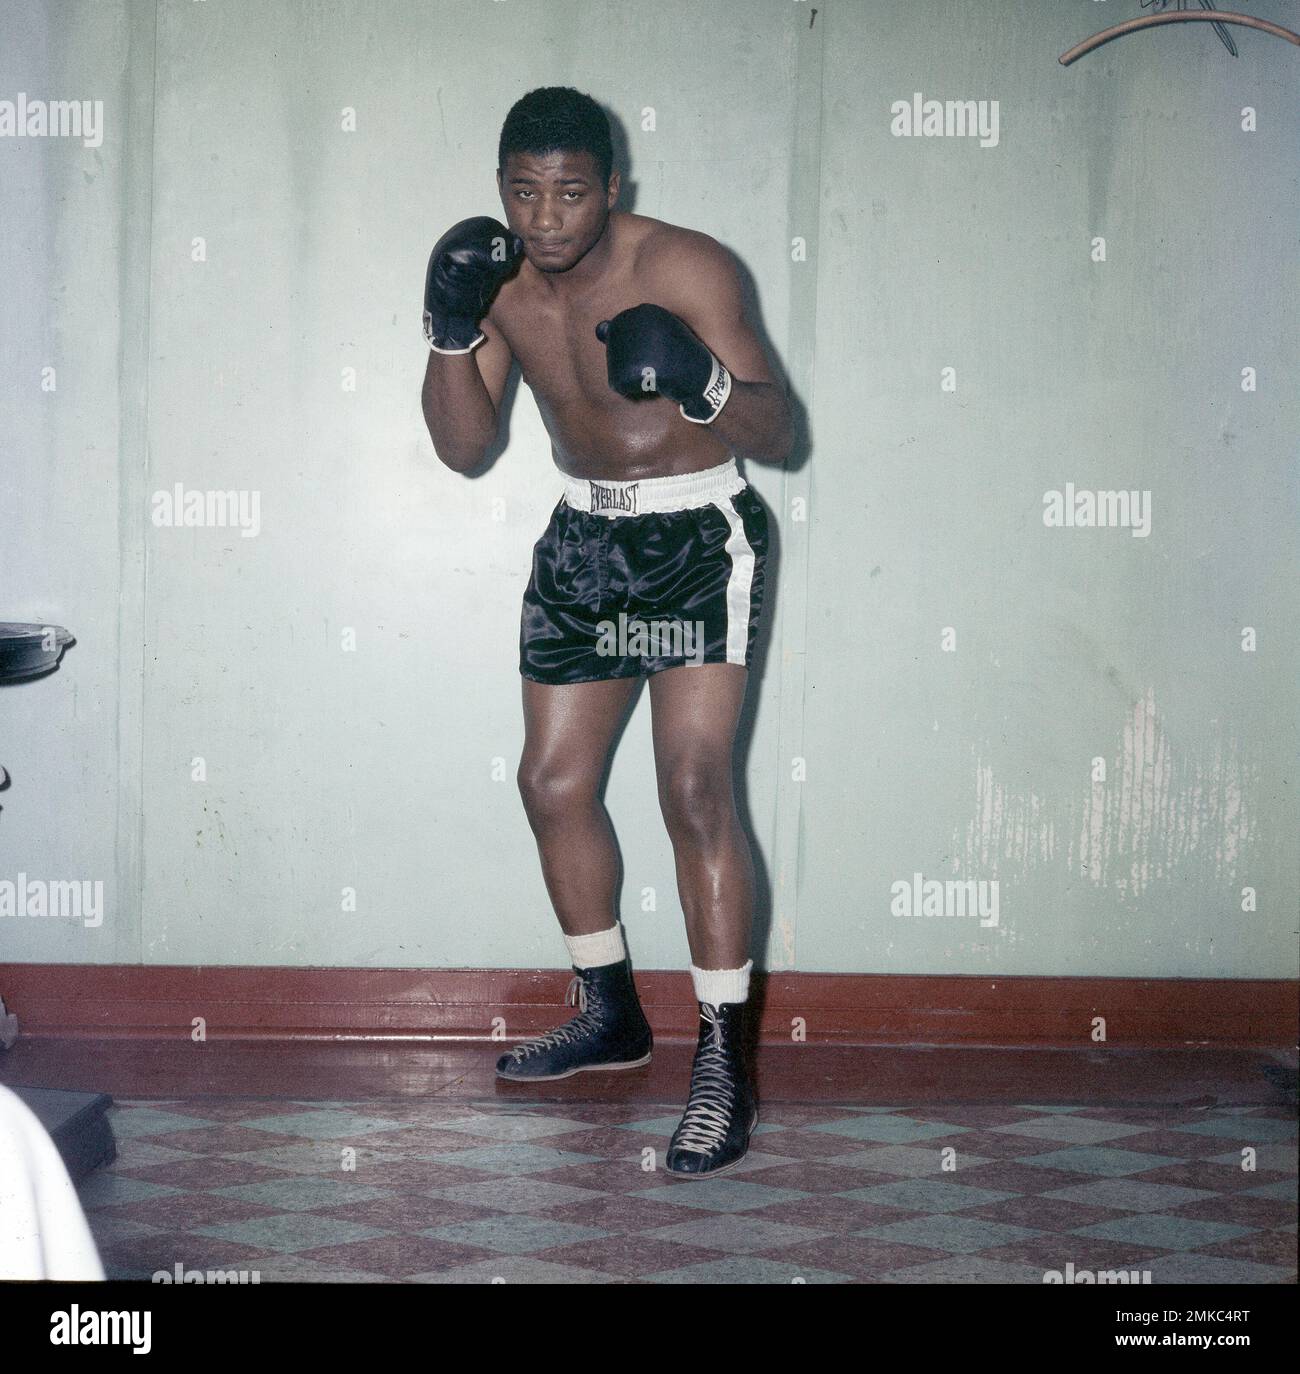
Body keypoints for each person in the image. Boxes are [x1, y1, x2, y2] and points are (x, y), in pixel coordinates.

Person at [420, 87, 792, 1177]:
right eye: (525, 192)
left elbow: (778, 428)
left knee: (693, 788)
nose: (546, 218)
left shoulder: (685, 268)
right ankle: (609, 1011)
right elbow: (463, 446)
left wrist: (702, 379)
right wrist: (449, 331)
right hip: (584, 538)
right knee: (551, 783)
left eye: (570, 192)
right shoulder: (492, 279)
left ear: (611, 187)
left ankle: (723, 1063)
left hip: (695, 535)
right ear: (501, 189)